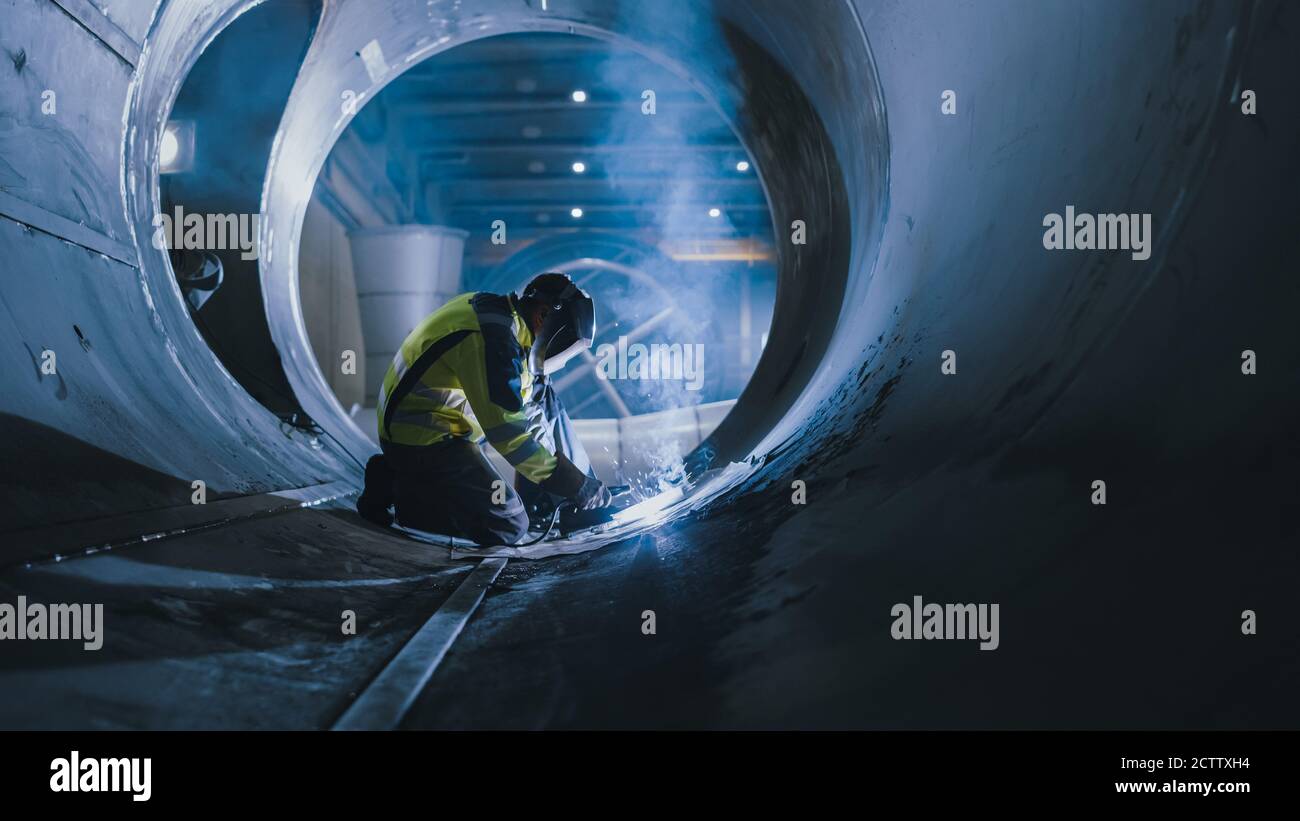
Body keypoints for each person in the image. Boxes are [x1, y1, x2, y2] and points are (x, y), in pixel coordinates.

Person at [356, 272, 612, 545]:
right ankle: (396, 488)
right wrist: (572, 483)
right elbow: (508, 434)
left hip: (442, 431)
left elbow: (533, 410)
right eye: (564, 340)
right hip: (420, 440)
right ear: (544, 314)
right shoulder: (493, 341)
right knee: (509, 525)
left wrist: (578, 484)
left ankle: (564, 506)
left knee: (543, 394)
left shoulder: (510, 326)